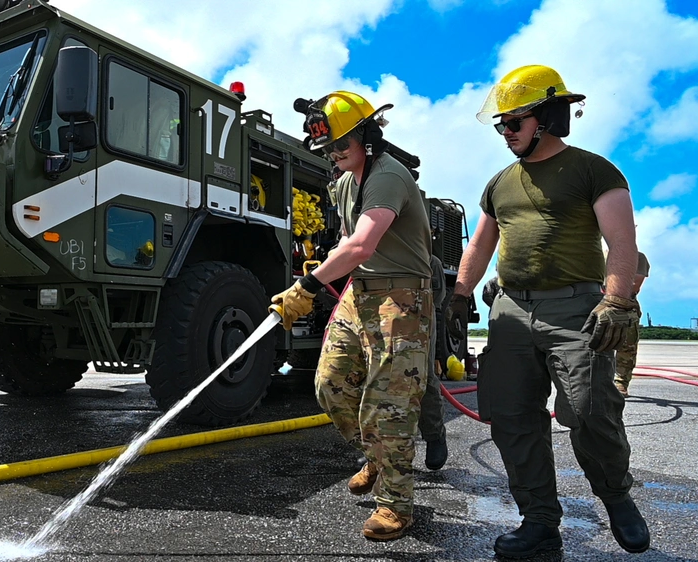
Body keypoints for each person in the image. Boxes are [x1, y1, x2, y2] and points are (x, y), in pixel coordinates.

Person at [446, 65, 649, 558]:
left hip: (577, 308)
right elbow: (481, 243)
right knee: (512, 418)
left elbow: (621, 240)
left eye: (514, 122)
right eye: (501, 125)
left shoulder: (593, 170)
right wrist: (458, 293)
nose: (506, 133)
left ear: (548, 117)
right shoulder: (499, 183)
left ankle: (616, 496)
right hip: (511, 311)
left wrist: (617, 300)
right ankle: (539, 522)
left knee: (588, 410)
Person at [272, 91, 433, 541]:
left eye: (342, 144)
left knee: (390, 405)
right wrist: (323, 271)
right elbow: (347, 243)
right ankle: (376, 457)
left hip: (401, 300)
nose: (335, 153)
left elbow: (363, 245)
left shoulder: (387, 177)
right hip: (357, 293)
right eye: (328, 148)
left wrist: (307, 285)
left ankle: (395, 506)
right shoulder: (343, 182)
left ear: (367, 135)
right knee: (329, 385)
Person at [421, 255, 448, 470]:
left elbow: (436, 305)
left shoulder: (430, 262)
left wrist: (439, 352)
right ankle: (380, 450)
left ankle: (434, 436)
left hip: (418, 317)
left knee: (423, 378)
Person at [614, 251, 650, 396]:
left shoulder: (638, 257)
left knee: (627, 346)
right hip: (594, 302)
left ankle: (620, 383)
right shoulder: (595, 254)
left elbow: (634, 285)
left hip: (625, 304)